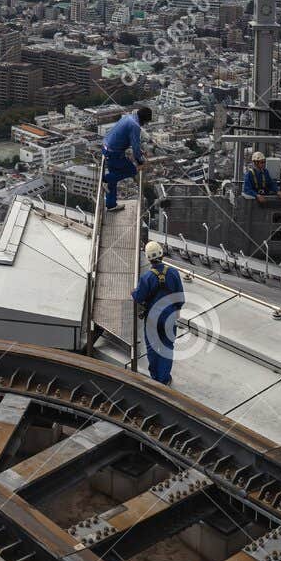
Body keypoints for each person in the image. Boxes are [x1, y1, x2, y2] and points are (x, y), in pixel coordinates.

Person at [132, 240, 185, 386]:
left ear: (148, 258)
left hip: (152, 319)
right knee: (167, 347)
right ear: (162, 255)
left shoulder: (147, 278)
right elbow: (180, 295)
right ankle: (164, 379)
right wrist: (178, 309)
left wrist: (133, 292)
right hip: (169, 316)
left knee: (153, 348)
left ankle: (155, 378)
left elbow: (139, 297)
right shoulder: (173, 273)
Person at [100, 104, 151, 211]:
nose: (145, 125)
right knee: (131, 171)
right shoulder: (135, 125)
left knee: (114, 176)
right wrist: (140, 161)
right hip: (114, 152)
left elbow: (131, 143)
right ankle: (105, 180)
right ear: (143, 119)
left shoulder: (129, 117)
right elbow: (135, 145)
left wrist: (139, 152)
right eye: (146, 122)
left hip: (107, 148)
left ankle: (111, 205)